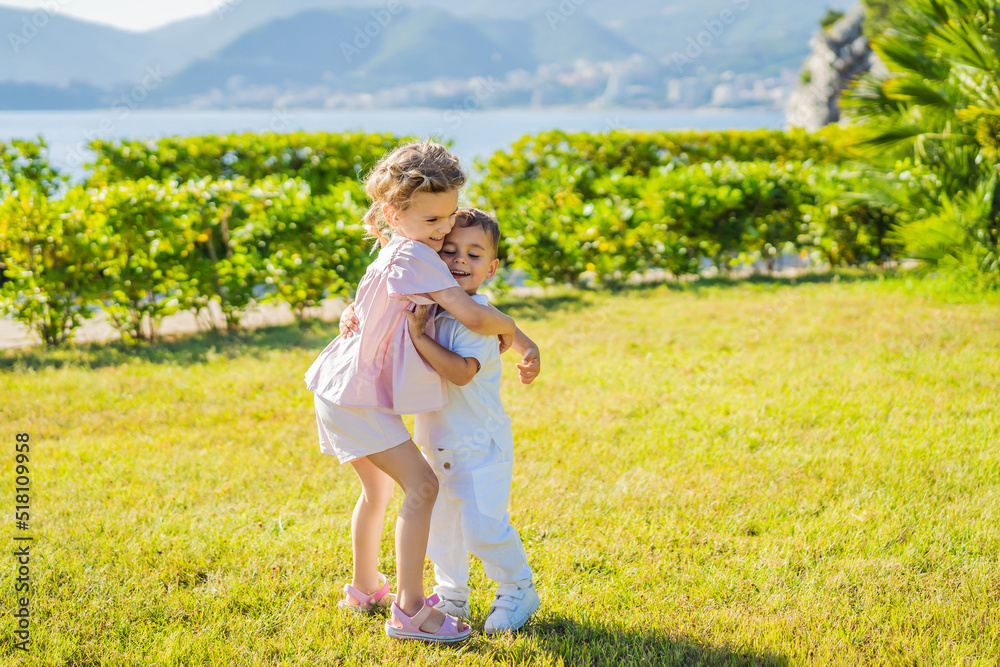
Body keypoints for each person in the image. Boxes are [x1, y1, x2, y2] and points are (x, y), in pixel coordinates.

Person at [304, 143, 517, 644]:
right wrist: (511, 327)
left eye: (449, 215)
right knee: (423, 488)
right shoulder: (416, 255)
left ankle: (363, 589)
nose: (445, 229)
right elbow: (468, 312)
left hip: (336, 388)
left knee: (377, 490)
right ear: (393, 213)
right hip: (355, 399)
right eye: (434, 219)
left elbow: (367, 306)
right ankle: (411, 609)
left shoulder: (395, 248)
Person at [340, 208, 541, 634]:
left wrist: (419, 338)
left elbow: (461, 371)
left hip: (480, 445)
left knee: (483, 527)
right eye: (449, 251)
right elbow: (382, 299)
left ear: (492, 267)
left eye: (473, 253)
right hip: (436, 442)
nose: (460, 261)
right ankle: (452, 592)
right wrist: (352, 311)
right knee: (441, 529)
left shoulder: (476, 320)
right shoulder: (433, 304)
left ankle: (517, 587)